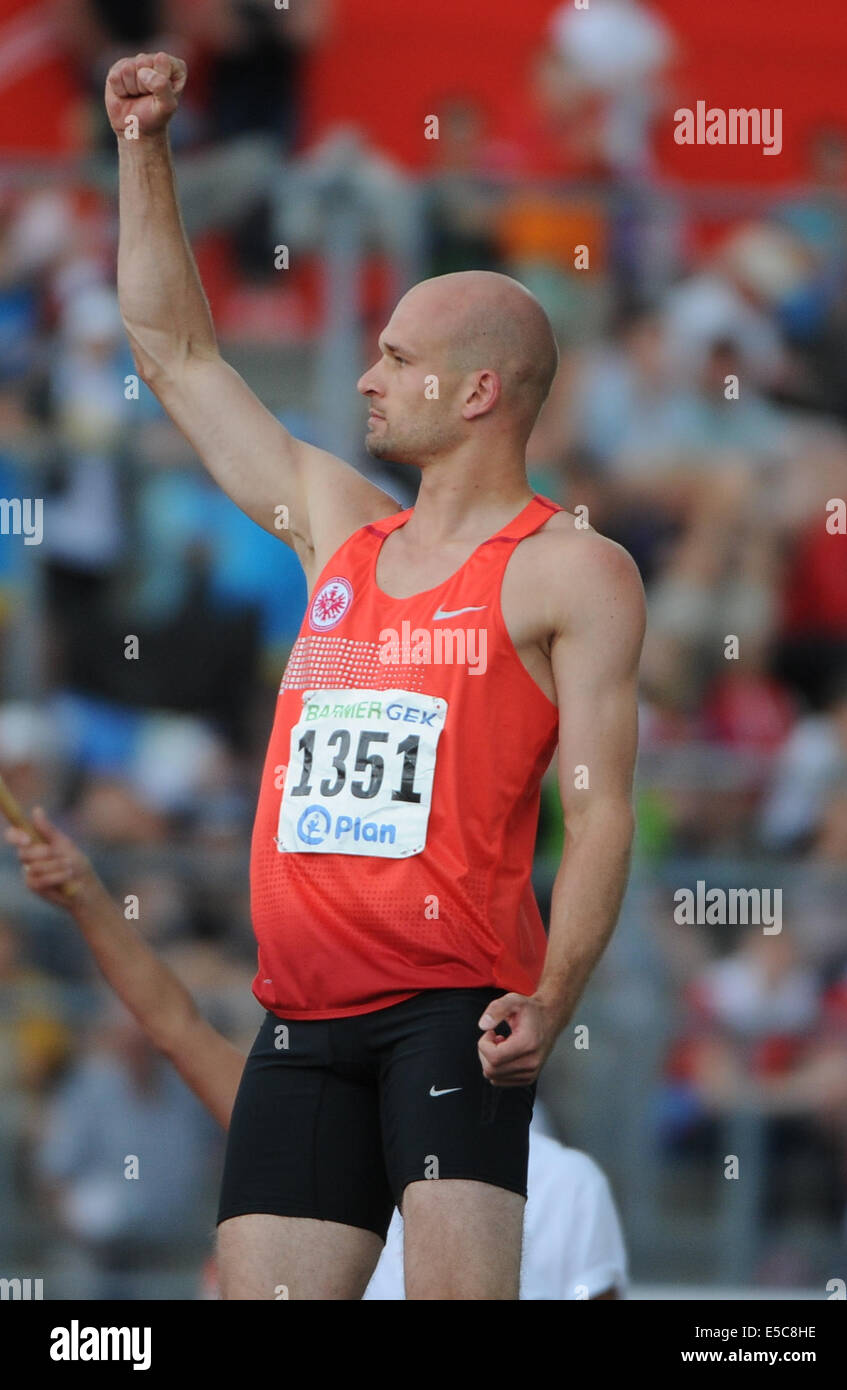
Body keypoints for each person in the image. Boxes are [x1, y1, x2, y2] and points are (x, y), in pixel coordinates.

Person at [102, 51, 645, 1300]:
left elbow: (602, 806)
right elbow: (176, 351)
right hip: (299, 1016)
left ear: (476, 390)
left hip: (450, 1012)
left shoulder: (569, 571)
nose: (363, 375)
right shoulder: (335, 526)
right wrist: (144, 149)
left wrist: (553, 997)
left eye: (395, 358)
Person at [6, 817, 629, 1300]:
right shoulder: (313, 1118)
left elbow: (180, 1029)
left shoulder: (564, 1185)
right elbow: (177, 1027)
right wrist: (86, 895)